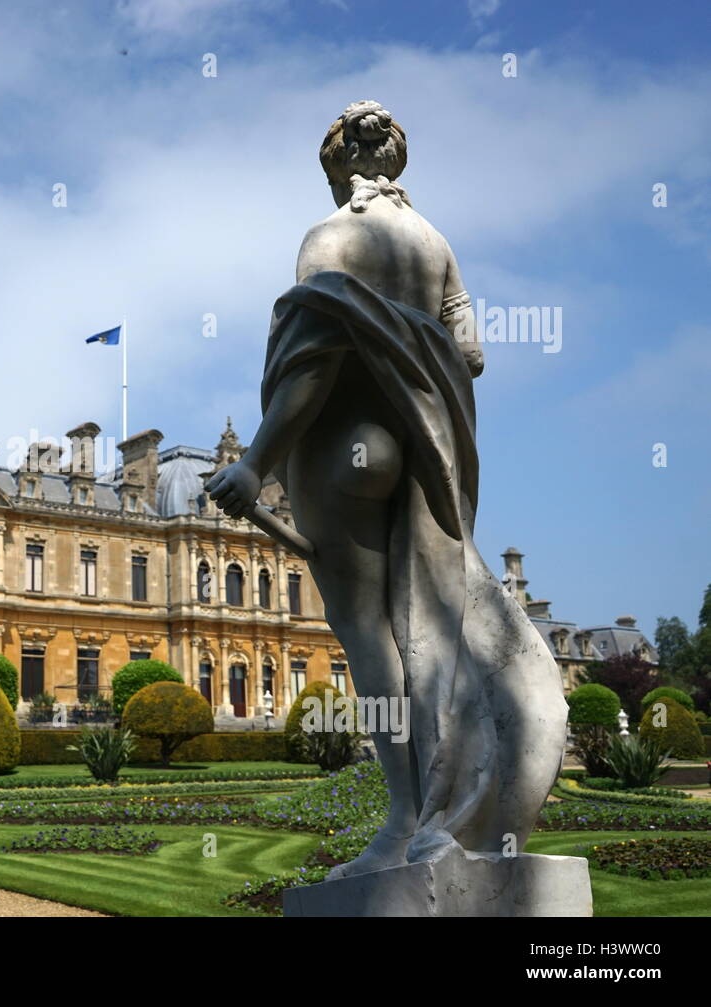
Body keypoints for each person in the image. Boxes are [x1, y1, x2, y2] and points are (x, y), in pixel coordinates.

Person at [207, 101, 566, 877]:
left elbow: (312, 363)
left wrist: (256, 463)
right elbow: (467, 353)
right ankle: (449, 811)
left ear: (338, 165)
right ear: (395, 162)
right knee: (429, 631)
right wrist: (413, 350)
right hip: (427, 455)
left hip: (350, 452)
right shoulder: (436, 245)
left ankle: (405, 818)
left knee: (372, 643)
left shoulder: (331, 238)